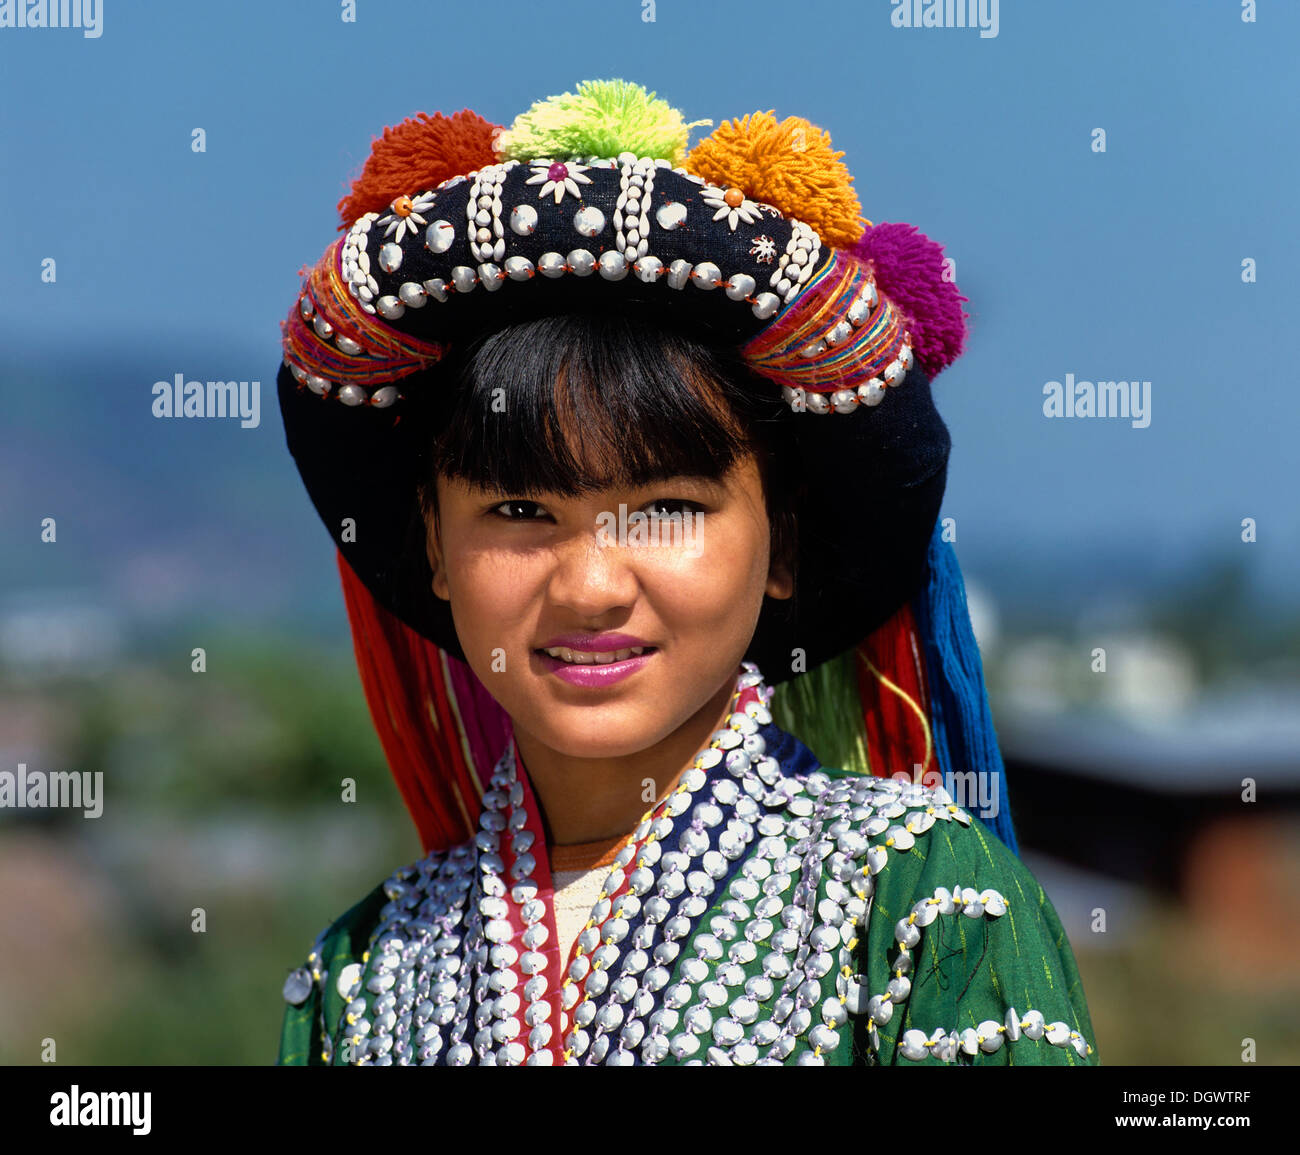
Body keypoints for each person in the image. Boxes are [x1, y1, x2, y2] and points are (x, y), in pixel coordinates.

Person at [273, 79, 1098, 1066]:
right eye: (521, 512)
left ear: (781, 543)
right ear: (435, 546)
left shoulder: (919, 902)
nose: (588, 588)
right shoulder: (366, 975)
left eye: (665, 511)